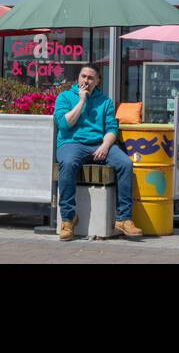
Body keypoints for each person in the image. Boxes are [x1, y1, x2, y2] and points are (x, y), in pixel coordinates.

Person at [53, 65, 142, 241]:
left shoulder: (105, 102)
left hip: (98, 145)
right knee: (68, 164)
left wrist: (105, 145)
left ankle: (123, 219)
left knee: (125, 164)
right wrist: (81, 101)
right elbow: (64, 124)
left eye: (91, 78)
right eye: (83, 76)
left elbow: (111, 130)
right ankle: (68, 219)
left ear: (98, 81)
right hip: (71, 143)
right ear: (78, 78)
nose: (86, 81)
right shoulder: (64, 97)